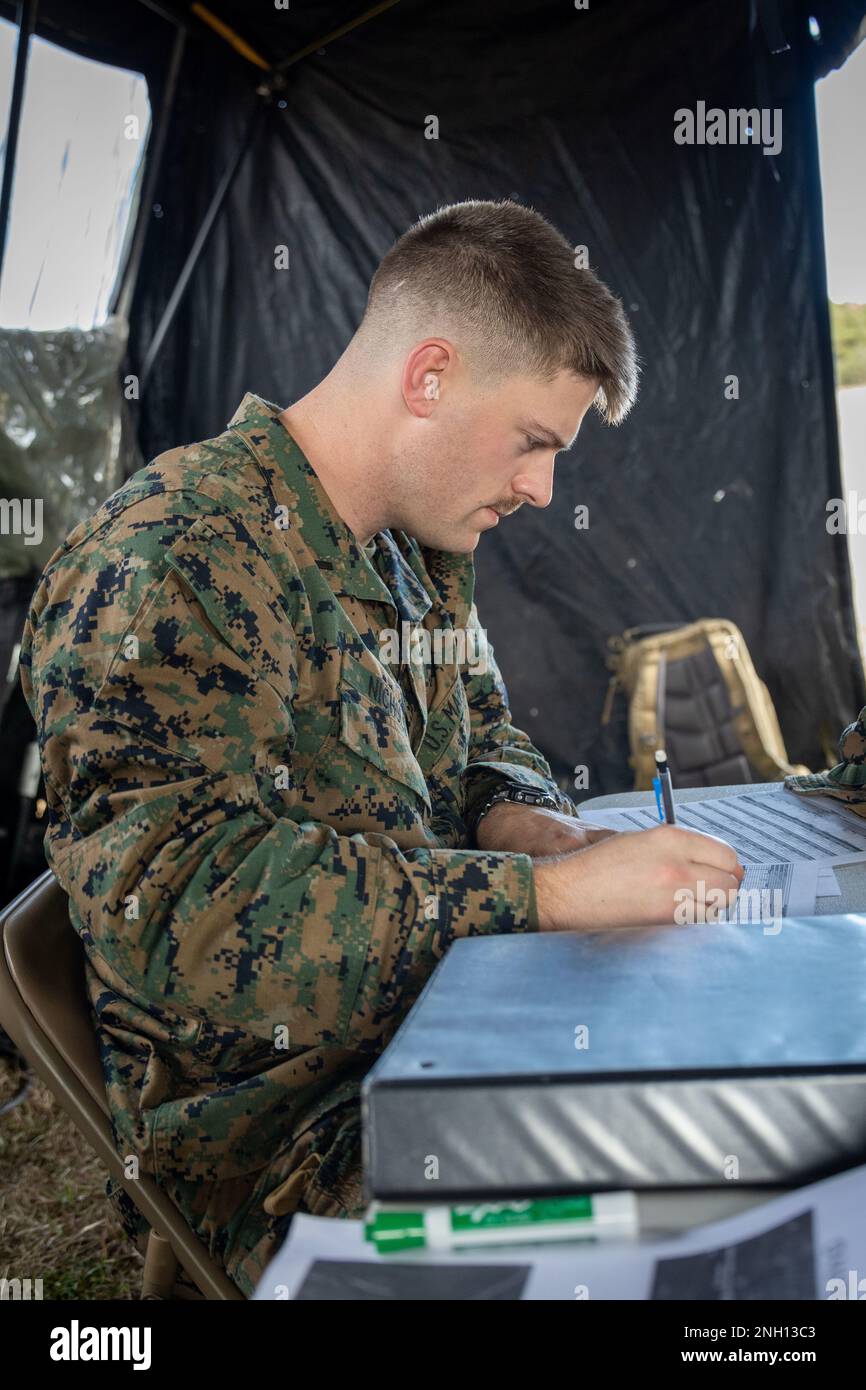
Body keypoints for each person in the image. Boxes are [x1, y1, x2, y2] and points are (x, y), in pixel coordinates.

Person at [19, 198, 742, 1295]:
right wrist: (540, 899)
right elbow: (182, 914)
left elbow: (482, 732)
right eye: (534, 443)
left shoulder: (414, 552)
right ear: (430, 376)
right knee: (676, 1218)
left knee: (742, 1116)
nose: (542, 490)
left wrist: (519, 820)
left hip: (445, 1021)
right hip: (300, 1140)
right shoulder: (167, 559)